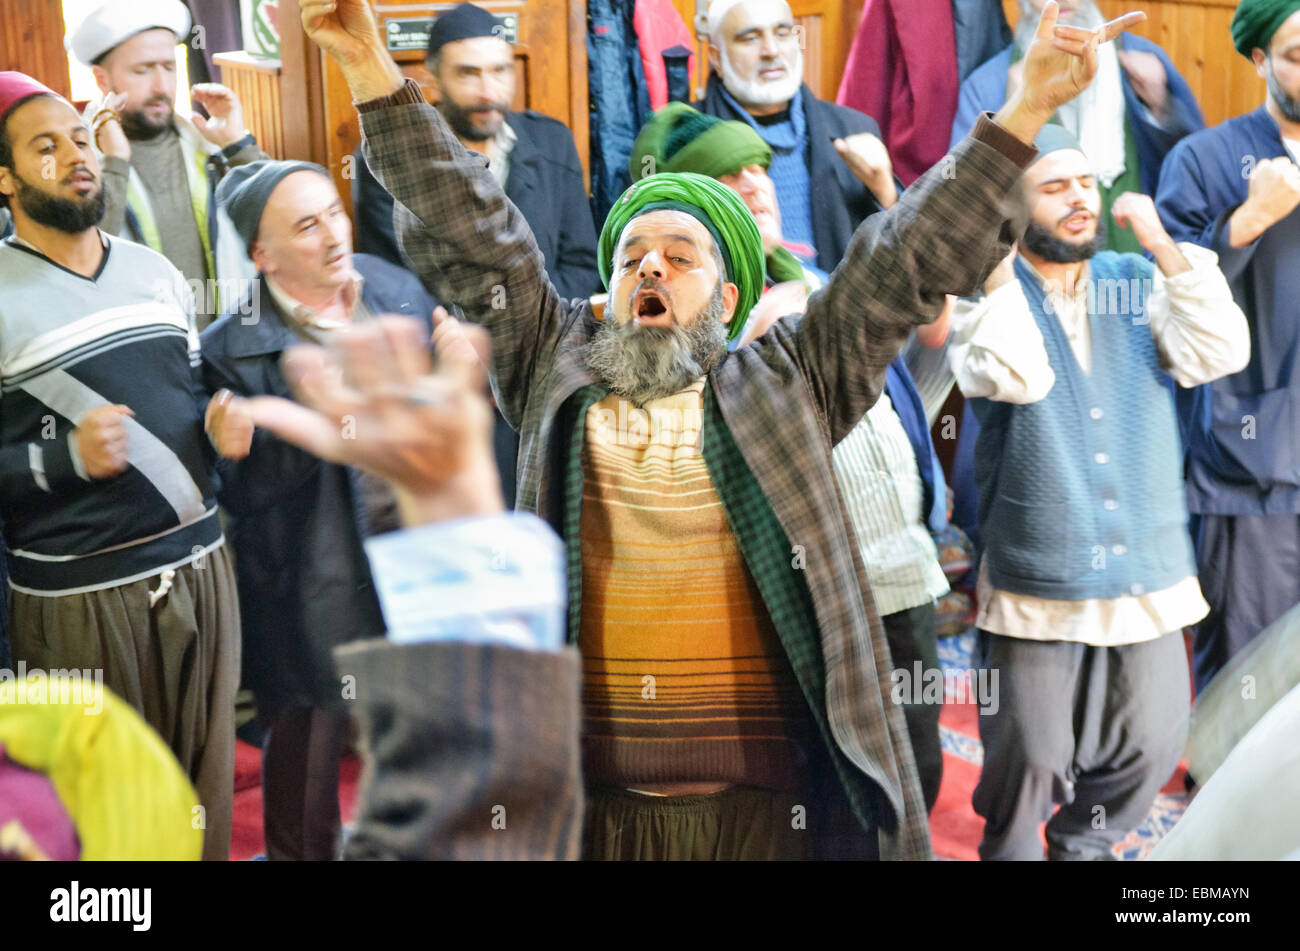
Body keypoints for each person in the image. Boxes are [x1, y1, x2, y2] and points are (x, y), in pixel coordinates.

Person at [296, 0, 1146, 861]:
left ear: (731, 299)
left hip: (771, 812)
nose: (650, 266)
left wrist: (1030, 104)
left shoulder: (793, 376)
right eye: (630, 257)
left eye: (679, 254)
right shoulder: (554, 362)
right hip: (596, 813)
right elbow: (472, 228)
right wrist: (373, 71)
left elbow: (909, 253)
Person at [630, 103, 950, 809]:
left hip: (896, 563)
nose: (755, 182)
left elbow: (930, 324)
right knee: (826, 776)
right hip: (805, 584)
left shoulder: (819, 278)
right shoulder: (683, 324)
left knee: (919, 762)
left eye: (759, 169)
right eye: (728, 175)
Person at [946, 126, 1249, 859]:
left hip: (1148, 579)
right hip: (1040, 587)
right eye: (1055, 188)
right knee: (1030, 768)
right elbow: (1018, 374)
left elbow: (1218, 350)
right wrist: (992, 264)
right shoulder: (986, 298)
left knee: (1147, 751)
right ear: (1012, 210)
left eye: (1087, 183)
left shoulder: (1134, 278)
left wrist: (1162, 245)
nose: (1081, 198)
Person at [0, 71, 242, 862]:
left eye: (79, 138)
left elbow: (195, 391)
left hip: (203, 570)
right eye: (45, 146)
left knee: (200, 800)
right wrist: (62, 459)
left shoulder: (154, 269)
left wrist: (222, 427)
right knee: (109, 828)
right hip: (78, 598)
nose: (76, 156)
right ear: (3, 180)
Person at [200, 159, 439, 860]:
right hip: (313, 574)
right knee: (308, 749)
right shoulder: (228, 348)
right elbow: (238, 495)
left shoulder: (395, 289)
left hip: (415, 553)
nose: (334, 234)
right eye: (307, 226)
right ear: (261, 255)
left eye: (334, 211)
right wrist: (285, 428)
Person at [1154, 0, 1300, 695]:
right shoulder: (1206, 160)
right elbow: (1170, 307)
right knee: (1249, 681)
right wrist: (1247, 221)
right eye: (1299, 54)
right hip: (1253, 466)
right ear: (1259, 60)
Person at [352, 2, 600, 301]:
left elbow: (581, 264)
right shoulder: (387, 158)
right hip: (444, 343)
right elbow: (395, 283)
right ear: (434, 79)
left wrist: (540, 328)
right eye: (468, 74)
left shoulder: (552, 141)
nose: (488, 91)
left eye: (499, 71)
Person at [67, 0, 265, 329]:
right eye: (143, 70)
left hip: (228, 352)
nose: (161, 86)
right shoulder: (76, 163)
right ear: (102, 80)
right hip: (147, 360)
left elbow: (277, 222)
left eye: (169, 67)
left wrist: (238, 146)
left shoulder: (209, 147)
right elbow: (79, 262)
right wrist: (115, 162)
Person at [950, 0, 1202, 255]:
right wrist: (1016, 114)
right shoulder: (991, 82)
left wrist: (1162, 106)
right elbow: (962, 191)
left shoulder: (1142, 60)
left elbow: (1193, 168)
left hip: (1137, 253)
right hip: (1040, 262)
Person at [693, 0, 901, 273]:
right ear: (716, 58)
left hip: (844, 310)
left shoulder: (852, 128)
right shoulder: (689, 142)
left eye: (782, 34)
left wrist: (885, 191)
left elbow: (902, 261)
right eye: (751, 38)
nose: (771, 50)